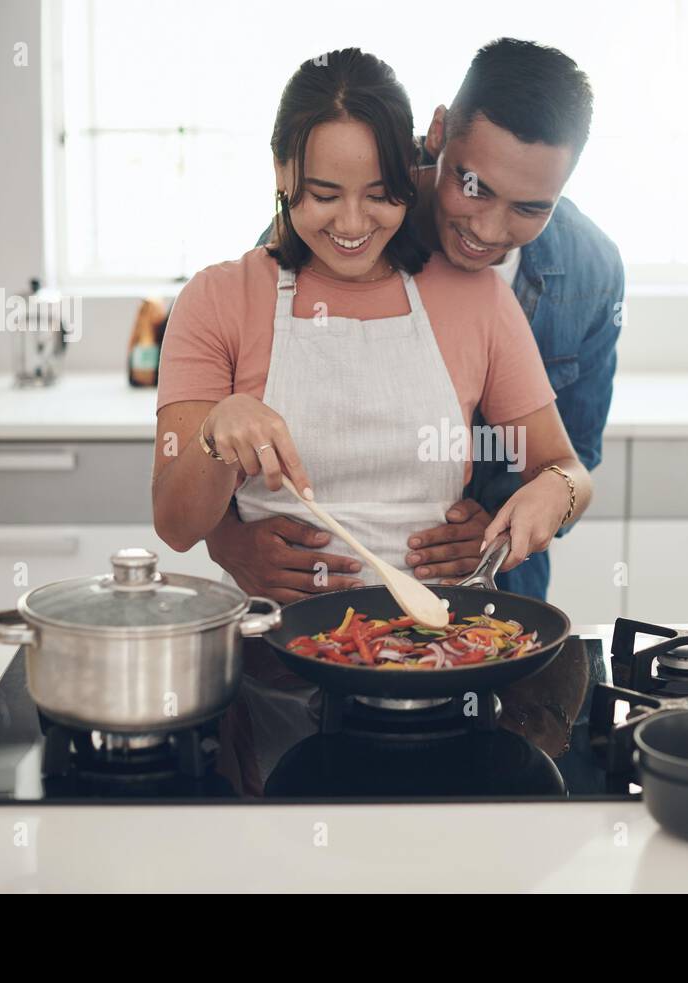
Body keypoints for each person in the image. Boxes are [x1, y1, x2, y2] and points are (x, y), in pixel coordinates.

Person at [152, 48, 591, 596]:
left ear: (408, 176)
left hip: (442, 647)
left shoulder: (479, 298)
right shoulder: (218, 298)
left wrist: (553, 492)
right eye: (323, 194)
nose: (354, 224)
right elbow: (174, 526)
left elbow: (567, 468)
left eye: (382, 195)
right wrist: (217, 435)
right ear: (282, 171)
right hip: (273, 647)